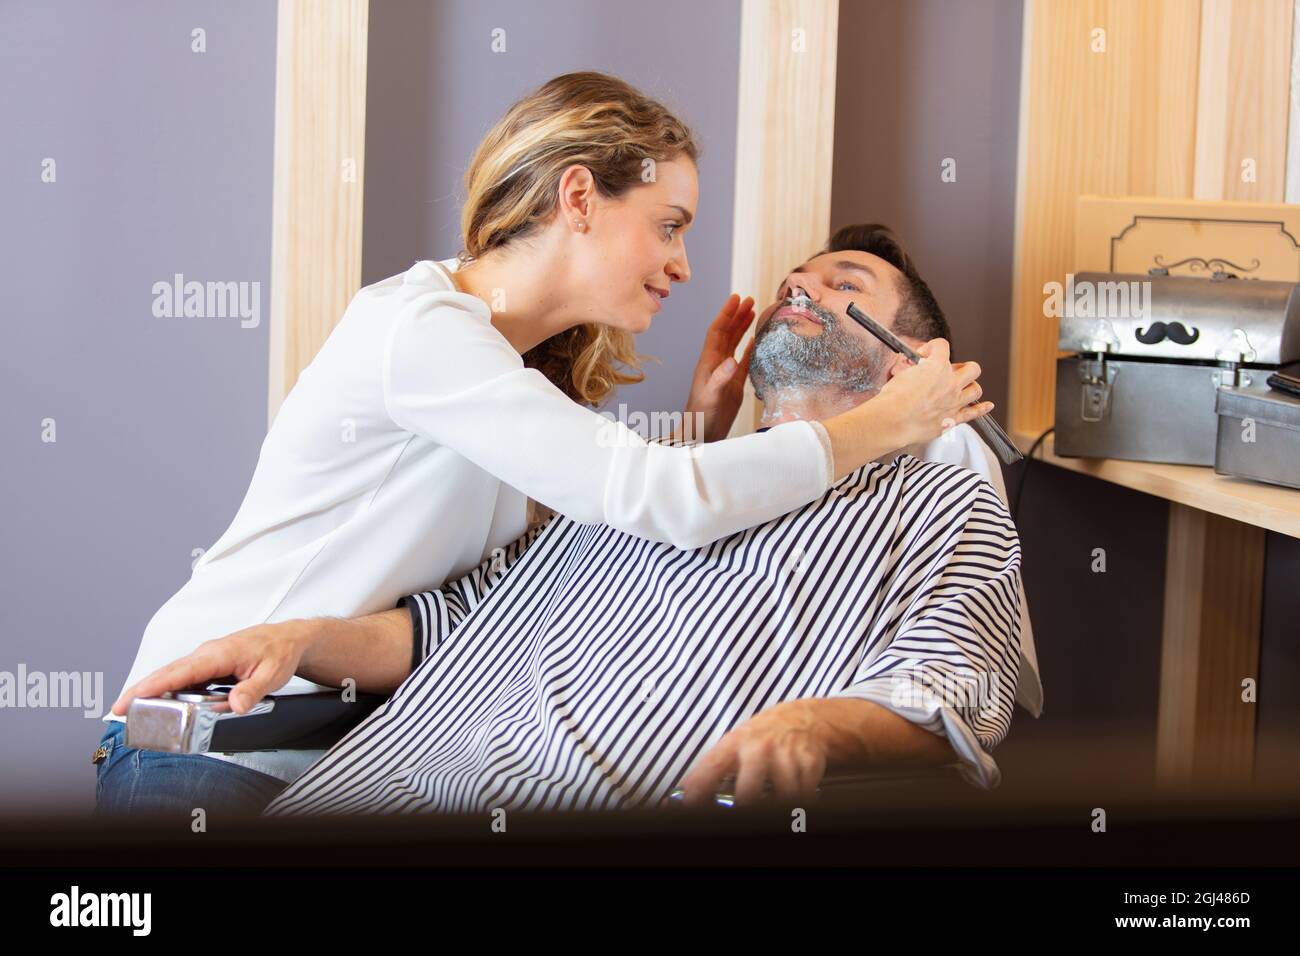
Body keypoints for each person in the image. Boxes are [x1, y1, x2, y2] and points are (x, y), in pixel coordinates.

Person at [96, 72, 991, 813]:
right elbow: (651, 500)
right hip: (218, 727)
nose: (685, 263)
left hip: (339, 746)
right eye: (671, 224)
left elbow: (594, 533)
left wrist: (703, 430)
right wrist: (884, 423)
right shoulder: (421, 332)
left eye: (843, 286)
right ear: (578, 199)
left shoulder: (525, 383)